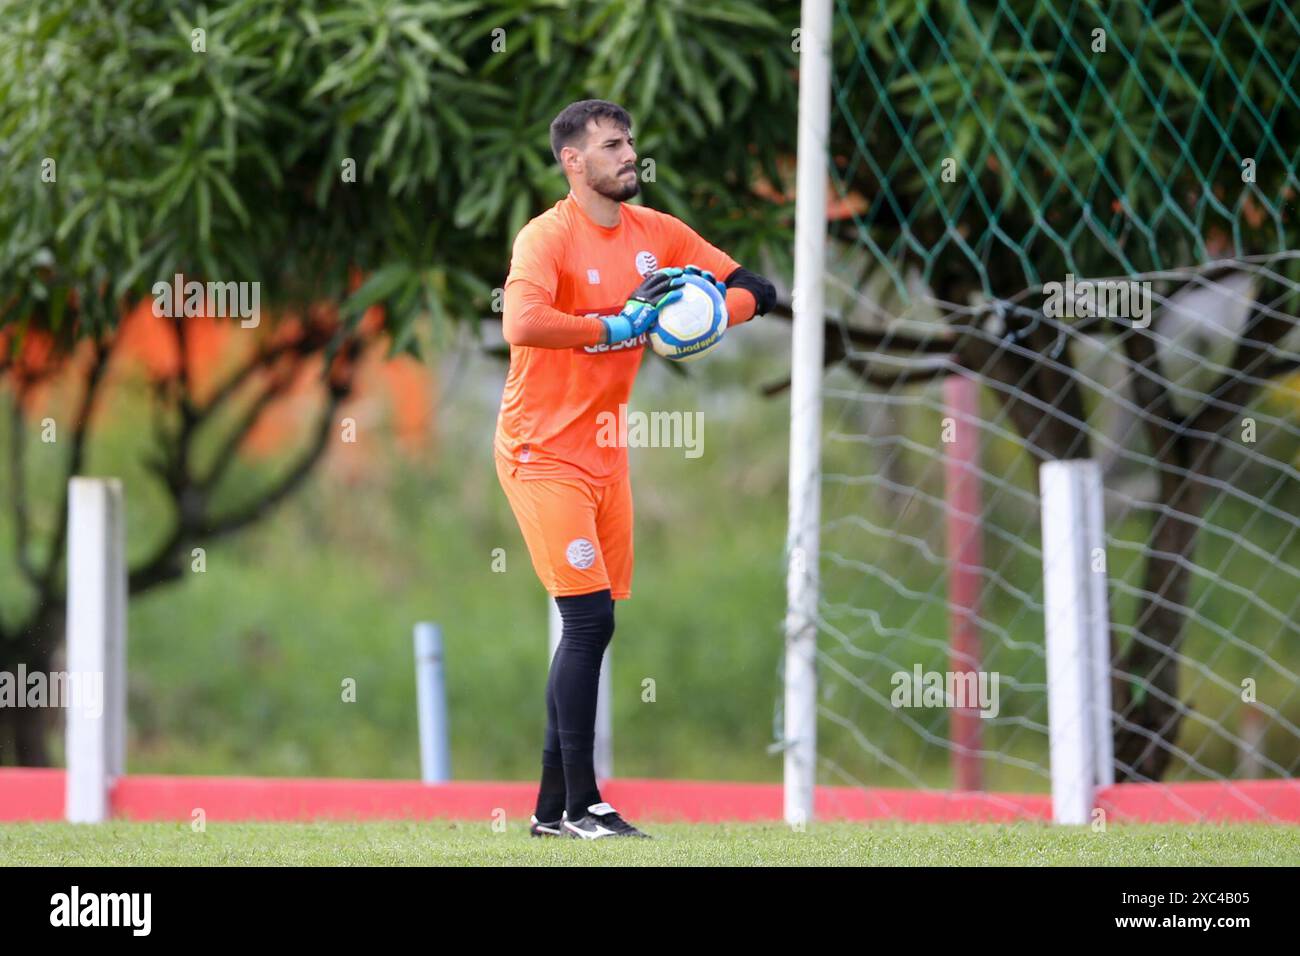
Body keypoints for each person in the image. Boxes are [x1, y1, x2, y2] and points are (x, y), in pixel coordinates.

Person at [495, 99, 777, 839]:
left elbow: (758, 286)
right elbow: (520, 322)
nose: (629, 155)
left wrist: (715, 308)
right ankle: (586, 805)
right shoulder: (546, 237)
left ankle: (550, 813)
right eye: (612, 145)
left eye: (630, 143)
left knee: (592, 623)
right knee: (587, 619)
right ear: (572, 162)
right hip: (539, 450)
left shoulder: (660, 234)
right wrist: (614, 325)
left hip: (603, 452)